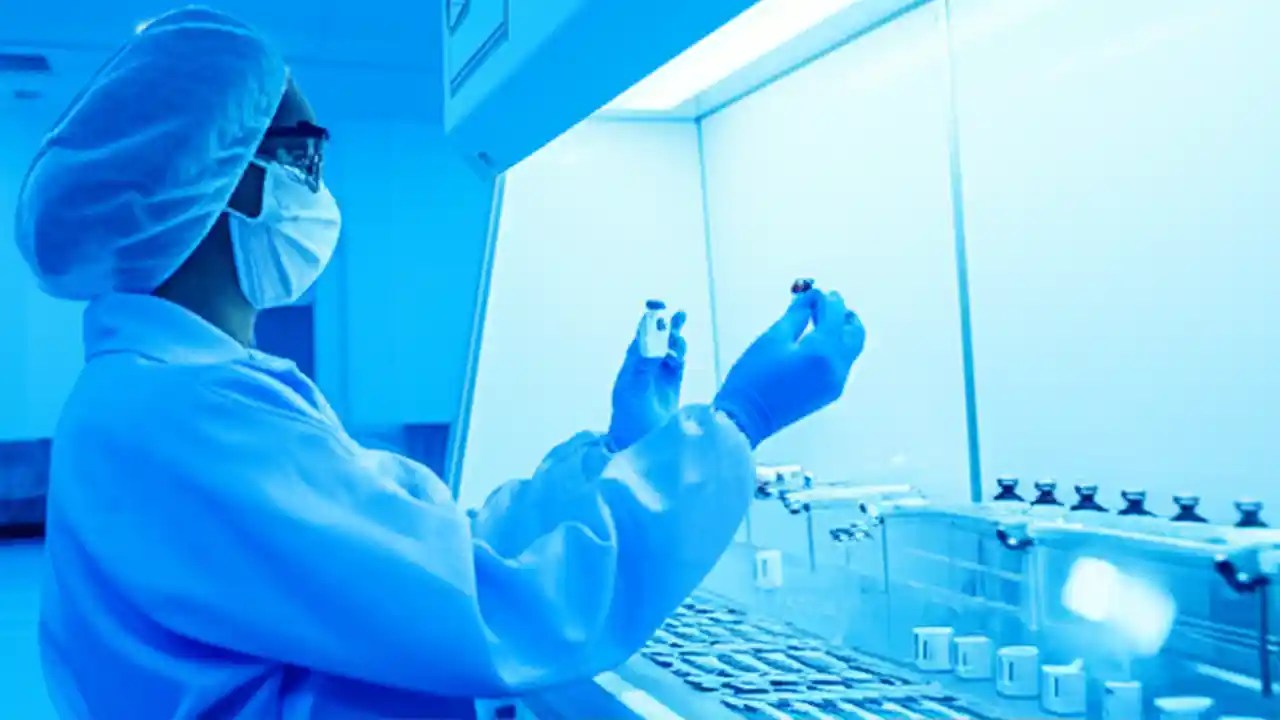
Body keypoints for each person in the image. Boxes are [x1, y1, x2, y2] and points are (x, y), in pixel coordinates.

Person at [16, 7, 867, 720]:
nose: (317, 187)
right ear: (218, 180)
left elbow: (432, 555)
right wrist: (735, 424)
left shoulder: (159, 396)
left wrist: (621, 451)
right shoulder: (184, 414)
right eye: (303, 151)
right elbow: (498, 610)